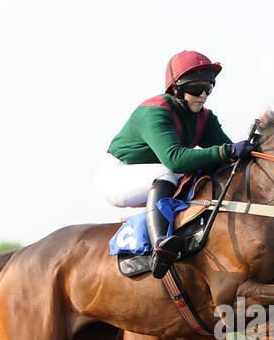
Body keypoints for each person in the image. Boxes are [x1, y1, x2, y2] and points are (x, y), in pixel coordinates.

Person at [96, 51, 253, 278]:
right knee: (169, 171)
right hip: (116, 176)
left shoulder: (204, 117)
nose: (202, 95)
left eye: (208, 88)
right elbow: (175, 160)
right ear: (176, 89)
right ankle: (161, 244)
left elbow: (228, 157)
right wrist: (226, 151)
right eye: (195, 89)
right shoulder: (155, 112)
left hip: (156, 175)